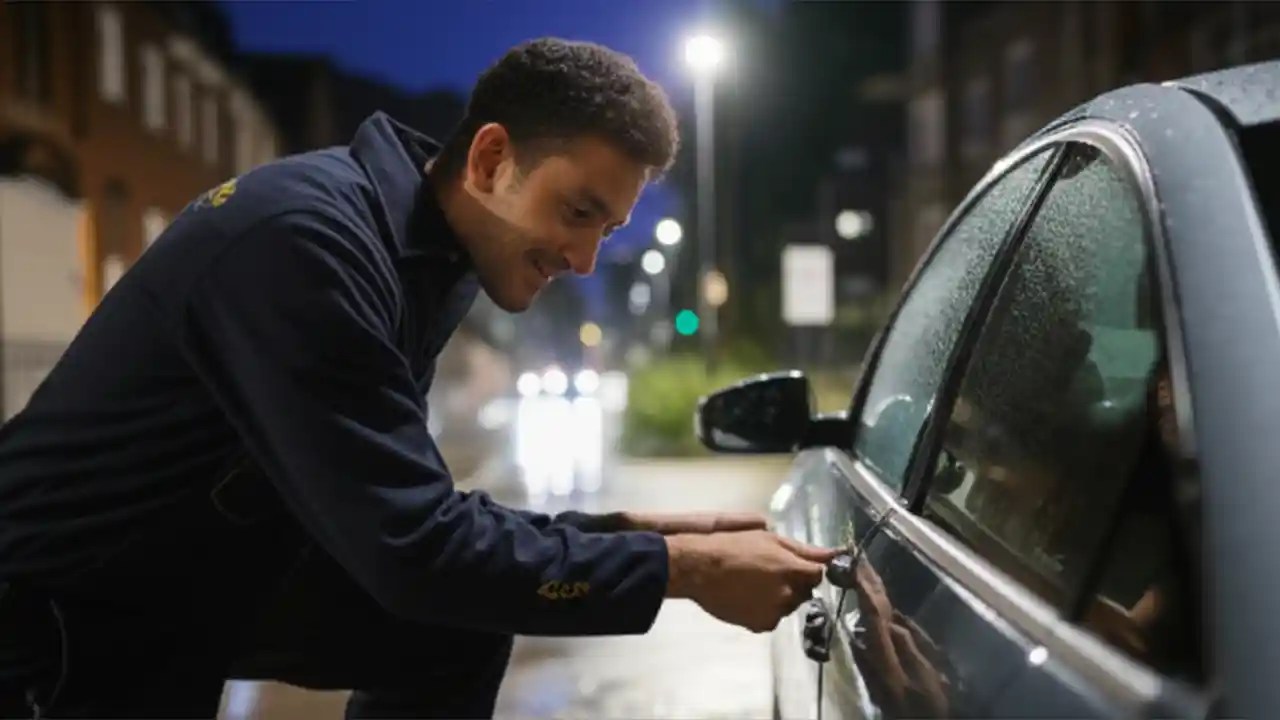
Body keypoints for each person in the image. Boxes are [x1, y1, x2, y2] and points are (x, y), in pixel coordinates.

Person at [0, 38, 835, 718]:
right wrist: (678, 570)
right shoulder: (304, 245)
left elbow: (407, 519)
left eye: (608, 230)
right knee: (445, 600)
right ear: (492, 157)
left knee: (452, 628)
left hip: (179, 590)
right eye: (577, 212)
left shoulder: (417, 257)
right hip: (55, 630)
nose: (584, 259)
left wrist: (633, 536)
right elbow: (415, 551)